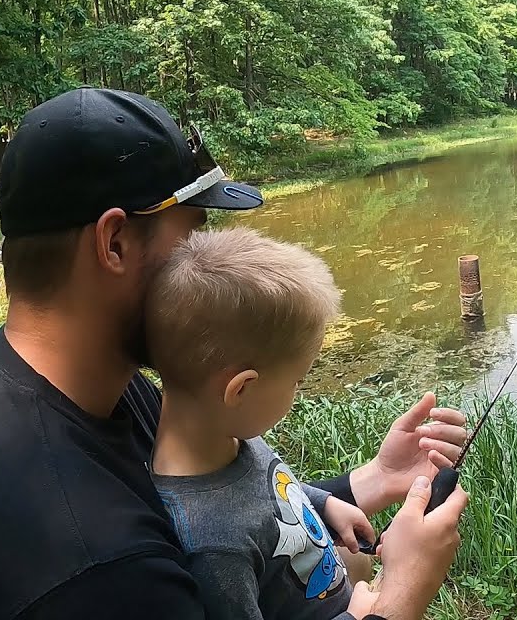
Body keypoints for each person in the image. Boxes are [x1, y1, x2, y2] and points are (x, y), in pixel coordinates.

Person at [0, 88, 468, 620]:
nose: (209, 261)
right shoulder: (90, 561)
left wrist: (368, 481)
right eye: (194, 235)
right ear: (114, 244)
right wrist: (403, 594)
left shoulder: (79, 383)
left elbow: (210, 509)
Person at [147, 227, 382, 619]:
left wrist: (323, 503)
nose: (298, 390)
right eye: (296, 381)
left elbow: (268, 489)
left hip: (327, 584)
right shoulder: (216, 549)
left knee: (359, 564)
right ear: (241, 389)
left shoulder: (225, 435)